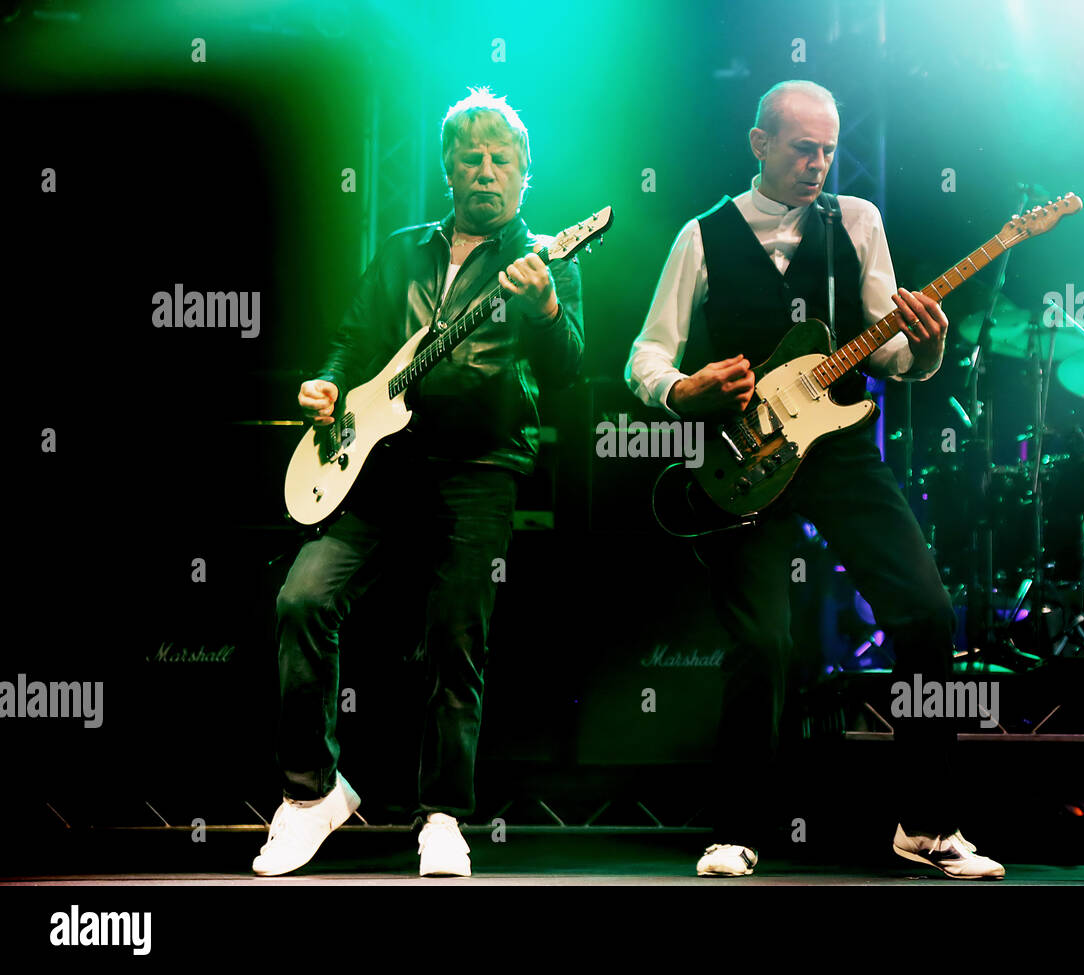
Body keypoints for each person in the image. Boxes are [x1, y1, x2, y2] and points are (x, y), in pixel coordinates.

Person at [625, 80, 1004, 879]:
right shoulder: (702, 235)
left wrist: (928, 347)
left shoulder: (856, 221)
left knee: (928, 611)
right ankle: (733, 829)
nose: (820, 163)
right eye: (803, 147)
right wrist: (682, 388)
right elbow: (644, 358)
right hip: (744, 458)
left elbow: (896, 356)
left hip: (837, 448)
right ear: (760, 143)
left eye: (830, 148)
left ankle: (927, 826)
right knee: (763, 641)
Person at [254, 87, 583, 878]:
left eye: (502, 157)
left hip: (481, 467)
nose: (486, 169)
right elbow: (349, 340)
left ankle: (442, 815)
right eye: (470, 155)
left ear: (526, 174)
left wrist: (541, 305)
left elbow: (568, 370)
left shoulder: (543, 262)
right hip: (379, 464)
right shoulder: (403, 249)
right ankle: (311, 795)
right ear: (446, 167)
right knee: (301, 600)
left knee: (454, 638)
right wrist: (325, 387)